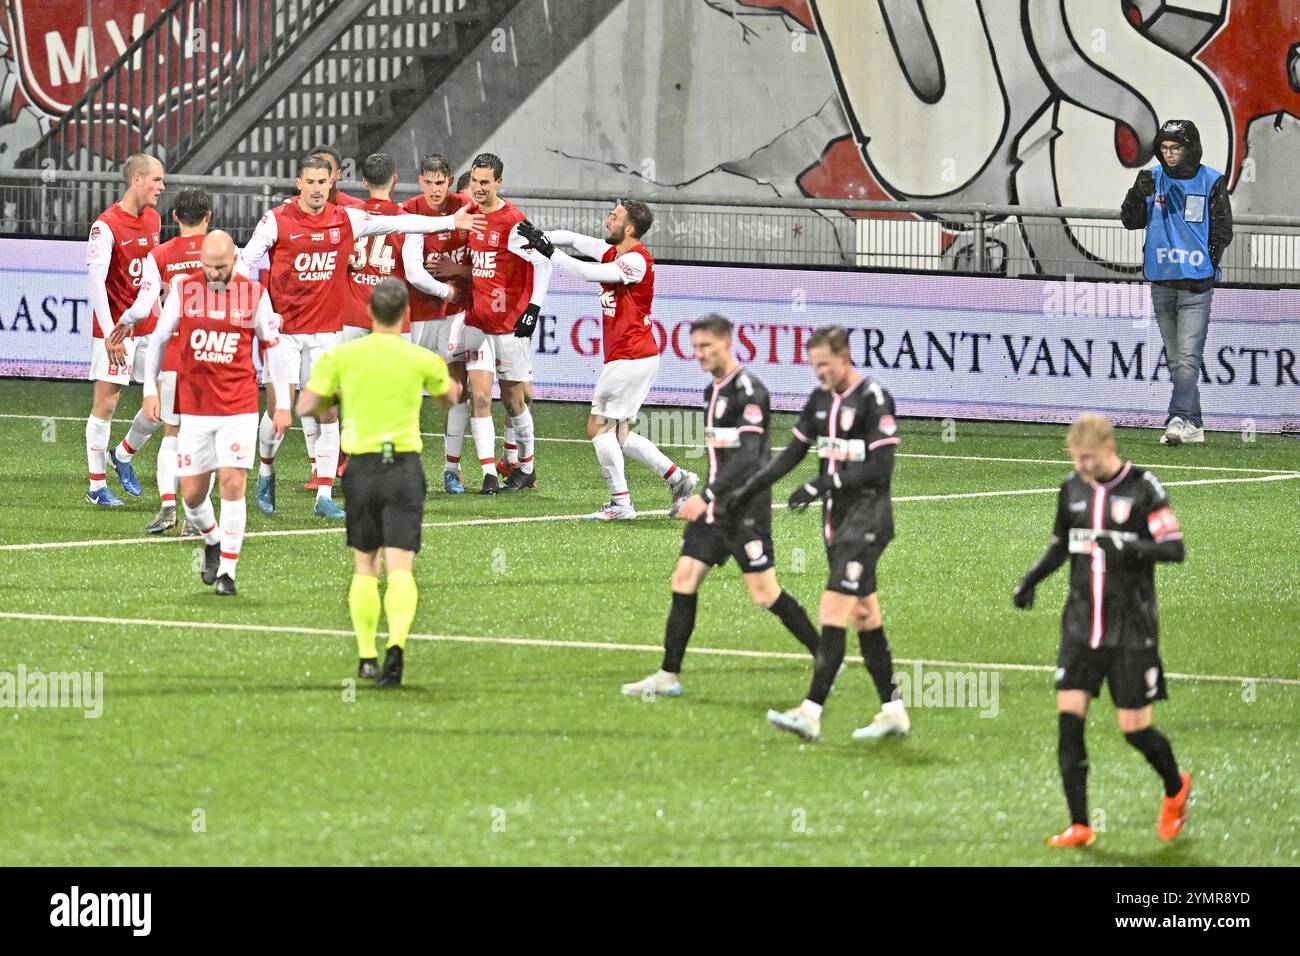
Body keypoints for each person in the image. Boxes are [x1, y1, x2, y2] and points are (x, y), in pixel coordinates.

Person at [237, 154, 484, 519]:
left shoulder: (347, 219)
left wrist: (450, 220)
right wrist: (259, 314)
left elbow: (399, 224)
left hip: (326, 333)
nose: (318, 189)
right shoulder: (275, 221)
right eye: (311, 182)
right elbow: (243, 266)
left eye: (324, 182)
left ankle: (324, 496)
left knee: (329, 409)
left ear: (330, 184)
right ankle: (267, 471)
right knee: (279, 411)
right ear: (299, 184)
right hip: (285, 334)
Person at [1013, 413, 1191, 848]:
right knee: (1069, 722)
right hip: (1080, 627)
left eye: (1088, 459)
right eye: (1076, 460)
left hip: (1131, 630)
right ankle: (1080, 824)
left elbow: (1174, 549)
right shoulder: (1071, 489)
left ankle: (1175, 788)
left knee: (1134, 729)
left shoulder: (1144, 487)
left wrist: (1128, 546)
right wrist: (1030, 581)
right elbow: (1060, 545)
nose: (1082, 467)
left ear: (1109, 449)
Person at [621, 315, 819, 697]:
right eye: (695, 347)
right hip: (714, 508)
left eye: (706, 346)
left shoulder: (750, 391)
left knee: (764, 594)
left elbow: (748, 458)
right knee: (683, 580)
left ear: (727, 343)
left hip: (745, 508)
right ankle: (669, 674)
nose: (699, 354)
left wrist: (707, 497)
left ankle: (825, 653)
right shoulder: (711, 392)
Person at [727, 325, 908, 743]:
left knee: (833, 610)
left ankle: (810, 712)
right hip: (837, 524)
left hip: (868, 520)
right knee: (865, 616)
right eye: (813, 366)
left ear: (844, 357)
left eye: (824, 365)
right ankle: (894, 710)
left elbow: (881, 470)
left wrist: (823, 483)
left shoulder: (874, 399)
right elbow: (790, 456)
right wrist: (746, 491)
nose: (819, 373)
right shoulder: (820, 400)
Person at [297, 278, 461, 686]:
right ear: (406, 314)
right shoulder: (420, 359)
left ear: (369, 313)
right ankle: (397, 646)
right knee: (401, 567)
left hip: (363, 470)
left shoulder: (343, 356)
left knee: (365, 567)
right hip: (404, 468)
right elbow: (450, 397)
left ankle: (367, 655)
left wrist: (334, 396)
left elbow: (306, 404)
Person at [518, 203, 698, 520]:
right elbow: (574, 239)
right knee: (620, 434)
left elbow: (588, 273)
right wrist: (538, 237)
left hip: (631, 356)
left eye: (615, 217)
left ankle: (621, 504)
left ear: (629, 229)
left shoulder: (636, 262)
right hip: (633, 356)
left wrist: (549, 253)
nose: (608, 220)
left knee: (598, 426)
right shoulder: (614, 251)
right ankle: (678, 478)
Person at [140, 231, 292, 595]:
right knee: (191, 495)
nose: (212, 273)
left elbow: (274, 349)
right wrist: (150, 390)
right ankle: (211, 539)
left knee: (232, 485)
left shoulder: (254, 295)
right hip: (195, 408)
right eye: (206, 266)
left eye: (220, 267)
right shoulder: (184, 289)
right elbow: (160, 339)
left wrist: (282, 403)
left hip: (238, 407)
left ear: (234, 260)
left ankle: (228, 572)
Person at [1120, 119, 1233, 446]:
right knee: (1176, 357)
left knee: (1186, 357)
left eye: (1176, 148)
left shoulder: (1211, 181)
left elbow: (1223, 231)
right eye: (1165, 149)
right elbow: (1131, 221)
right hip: (1162, 281)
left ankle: (1176, 418)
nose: (1169, 155)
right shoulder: (1150, 180)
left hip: (1196, 285)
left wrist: (1208, 264)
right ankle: (1194, 424)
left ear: (1190, 149)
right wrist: (1134, 195)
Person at [112, 186, 213, 534]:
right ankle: (194, 517)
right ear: (209, 217)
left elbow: (143, 306)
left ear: (174, 218)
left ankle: (168, 506)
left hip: (172, 352)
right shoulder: (223, 252)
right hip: (211, 352)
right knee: (204, 437)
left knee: (172, 432)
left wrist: (124, 322)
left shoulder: (160, 255)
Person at [460, 152, 552, 494]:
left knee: (515, 400)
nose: (479, 188)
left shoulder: (512, 222)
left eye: (485, 182)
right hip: (476, 322)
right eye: (474, 180)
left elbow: (544, 262)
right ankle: (486, 471)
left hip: (507, 324)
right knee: (478, 395)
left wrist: (534, 307)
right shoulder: (467, 214)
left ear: (499, 182)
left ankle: (525, 468)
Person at [84, 153, 164, 506]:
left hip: (148, 326)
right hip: (115, 328)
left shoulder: (154, 219)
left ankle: (124, 453)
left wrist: (161, 319)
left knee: (165, 402)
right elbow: (95, 284)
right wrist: (109, 333)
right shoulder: (105, 226)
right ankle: (97, 486)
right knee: (107, 403)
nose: (162, 187)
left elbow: (153, 275)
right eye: (157, 180)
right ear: (137, 181)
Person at [400, 153, 473, 493]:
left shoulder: (467, 208)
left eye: (440, 182)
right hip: (417, 314)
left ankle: (452, 469)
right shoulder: (409, 210)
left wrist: (462, 277)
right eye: (427, 182)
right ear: (420, 182)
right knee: (408, 391)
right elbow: (414, 273)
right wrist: (449, 289)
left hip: (454, 314)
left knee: (456, 388)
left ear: (448, 180)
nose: (434, 189)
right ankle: (407, 468)